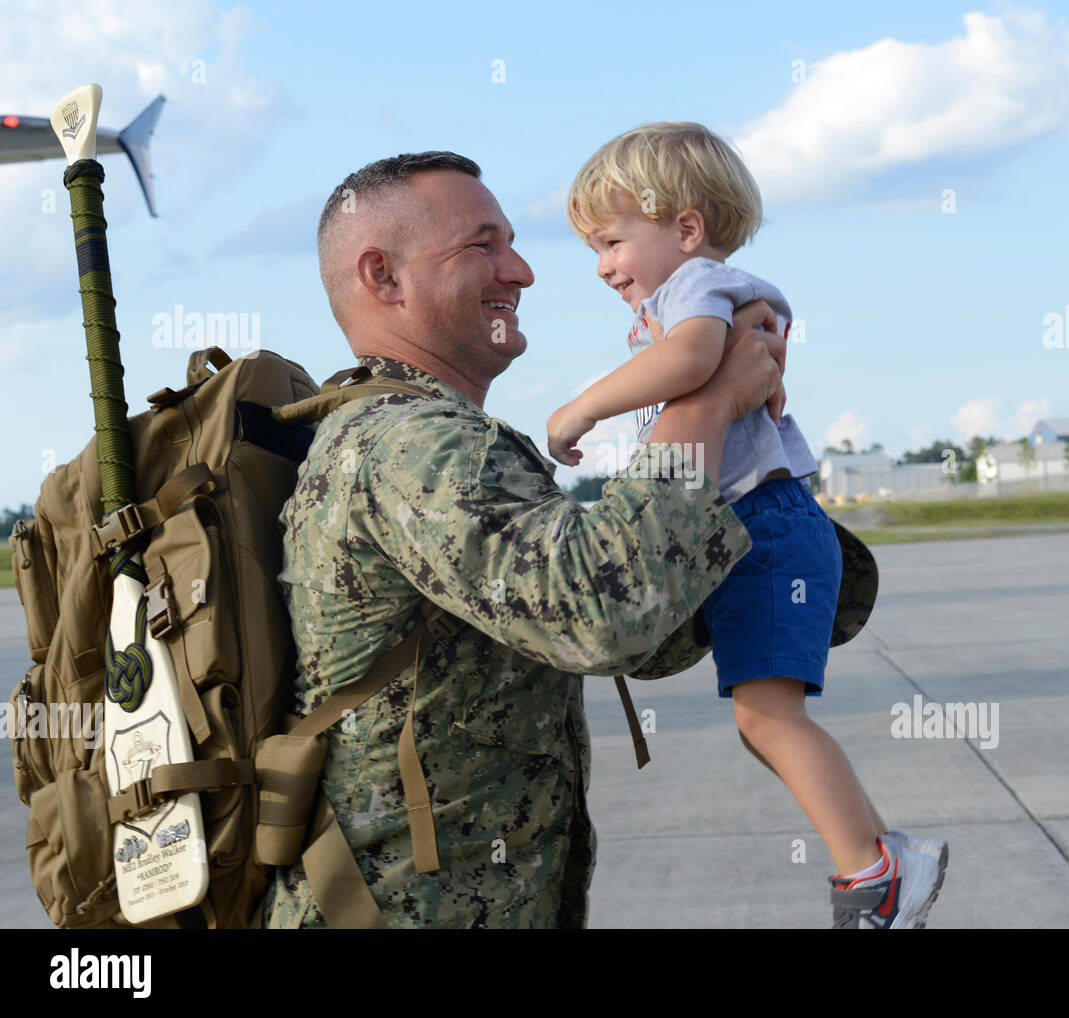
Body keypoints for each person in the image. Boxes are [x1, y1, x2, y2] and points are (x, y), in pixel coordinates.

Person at [259, 150, 787, 928]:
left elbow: (650, 634)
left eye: (511, 241)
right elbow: (602, 617)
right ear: (384, 278)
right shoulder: (411, 446)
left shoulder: (445, 438)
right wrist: (705, 404)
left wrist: (774, 506)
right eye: (483, 245)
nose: (523, 271)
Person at [547, 122, 947, 929]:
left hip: (764, 529)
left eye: (613, 241)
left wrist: (583, 404)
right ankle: (879, 859)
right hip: (757, 529)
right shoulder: (700, 296)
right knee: (764, 723)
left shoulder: (697, 288)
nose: (602, 267)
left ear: (686, 228)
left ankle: (873, 874)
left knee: (768, 719)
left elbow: (692, 365)